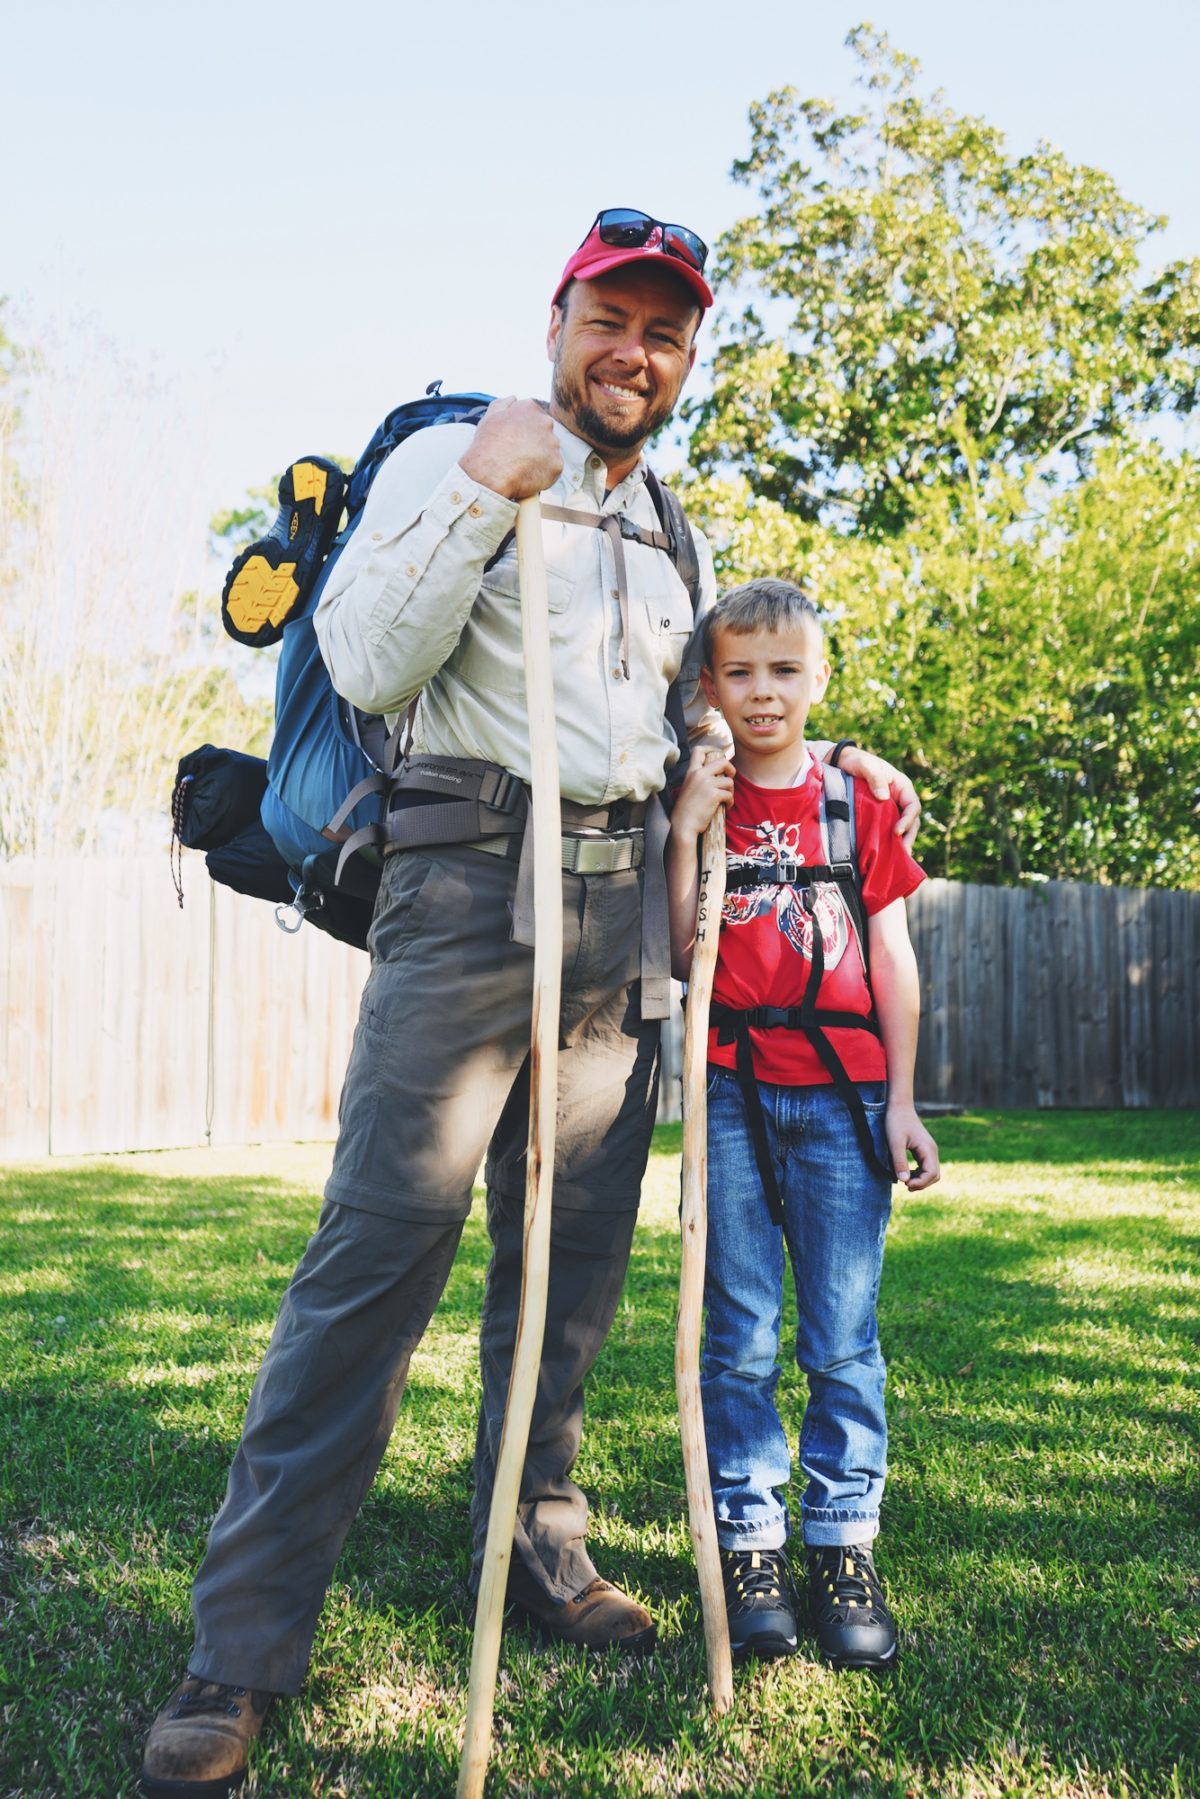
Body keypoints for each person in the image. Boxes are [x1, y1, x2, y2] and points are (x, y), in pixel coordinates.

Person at [141, 214, 921, 1795]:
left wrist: (820, 764)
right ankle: (241, 1647)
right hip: (466, 886)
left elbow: (715, 725)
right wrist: (486, 496)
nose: (635, 353)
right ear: (556, 318)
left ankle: (539, 1540)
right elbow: (367, 660)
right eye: (610, 317)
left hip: (620, 912)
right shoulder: (459, 453)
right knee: (376, 1259)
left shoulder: (674, 534)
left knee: (570, 1266)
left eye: (667, 333)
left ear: (686, 358)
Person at [666, 578, 940, 1671]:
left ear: (818, 678)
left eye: (784, 670)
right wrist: (684, 831)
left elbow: (893, 958)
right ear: (710, 685)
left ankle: (843, 1539)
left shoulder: (857, 802)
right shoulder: (705, 796)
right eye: (740, 672)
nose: (763, 692)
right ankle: (752, 1543)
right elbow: (680, 947)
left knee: (841, 1335)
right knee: (737, 1334)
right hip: (730, 1090)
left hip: (842, 1095)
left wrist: (904, 1099)